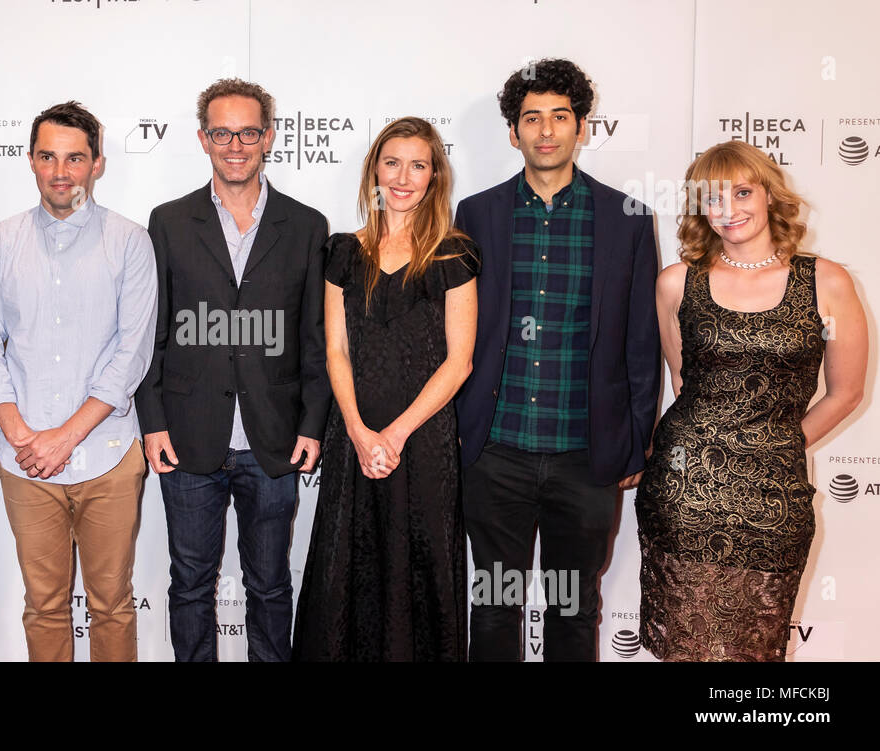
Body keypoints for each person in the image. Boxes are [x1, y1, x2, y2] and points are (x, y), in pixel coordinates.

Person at [453, 58, 660, 661]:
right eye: (531, 119)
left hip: (586, 455)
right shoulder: (477, 215)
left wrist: (635, 440)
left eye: (559, 117)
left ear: (582, 126)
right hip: (495, 451)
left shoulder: (628, 219)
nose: (546, 131)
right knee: (494, 607)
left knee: (574, 609)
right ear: (513, 133)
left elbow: (641, 343)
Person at [636, 140, 866, 661]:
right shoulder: (677, 283)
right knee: (687, 648)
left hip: (773, 498)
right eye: (713, 198)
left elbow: (846, 392)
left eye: (742, 192)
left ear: (768, 196)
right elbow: (680, 381)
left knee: (755, 653)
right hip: (685, 491)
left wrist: (777, 447)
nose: (728, 209)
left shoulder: (825, 281)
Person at [136, 78, 330, 662]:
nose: (236, 145)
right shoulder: (168, 222)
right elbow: (153, 332)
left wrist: (312, 424)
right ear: (203, 138)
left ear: (268, 136)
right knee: (191, 585)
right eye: (222, 132)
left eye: (248, 132)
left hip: (273, 441)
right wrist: (152, 420)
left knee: (269, 585)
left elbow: (314, 340)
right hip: (188, 438)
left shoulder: (306, 226)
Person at [292, 117, 478, 661]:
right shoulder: (343, 251)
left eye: (418, 165)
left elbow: (459, 361)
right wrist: (357, 430)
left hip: (422, 442)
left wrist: (393, 436)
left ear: (434, 177)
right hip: (354, 440)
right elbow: (336, 351)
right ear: (374, 169)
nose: (403, 177)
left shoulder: (453, 255)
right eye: (392, 162)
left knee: (422, 568)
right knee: (346, 568)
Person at [0, 101, 157, 662]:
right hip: (23, 456)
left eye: (75, 158)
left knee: (112, 605)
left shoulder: (130, 241)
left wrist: (64, 437)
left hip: (107, 453)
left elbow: (131, 354)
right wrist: (23, 434)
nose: (61, 171)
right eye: (48, 157)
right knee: (44, 605)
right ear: (29, 160)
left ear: (97, 163)